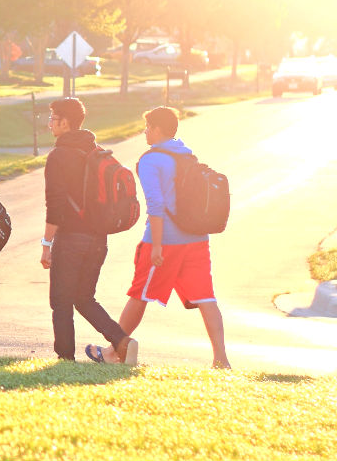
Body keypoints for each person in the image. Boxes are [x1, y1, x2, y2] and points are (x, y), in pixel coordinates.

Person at [94, 106, 230, 368]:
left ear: (157, 129)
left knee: (140, 294)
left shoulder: (151, 160)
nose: (144, 132)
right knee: (206, 297)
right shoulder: (186, 154)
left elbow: (155, 204)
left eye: (147, 127)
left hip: (165, 240)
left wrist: (156, 245)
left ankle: (113, 351)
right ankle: (221, 359)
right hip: (197, 238)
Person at [41, 98, 138, 364]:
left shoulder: (58, 156)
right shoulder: (94, 151)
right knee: (83, 298)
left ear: (65, 122)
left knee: (61, 301)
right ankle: (122, 341)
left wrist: (46, 243)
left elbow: (55, 206)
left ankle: (65, 359)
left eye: (52, 118)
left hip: (71, 239)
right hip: (98, 239)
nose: (49, 123)